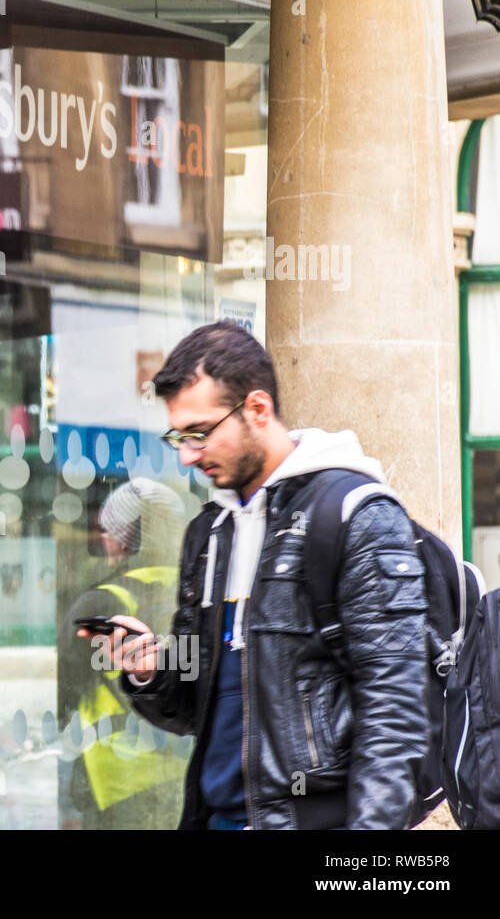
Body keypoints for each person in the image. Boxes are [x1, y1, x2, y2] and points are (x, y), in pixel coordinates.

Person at [85, 321, 430, 830]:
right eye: (178, 435)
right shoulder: (209, 533)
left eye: (200, 433)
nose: (186, 454)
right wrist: (149, 668)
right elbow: (192, 707)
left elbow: (394, 715)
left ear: (258, 409)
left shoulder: (356, 516)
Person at [60, 479, 189, 829]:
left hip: (113, 781)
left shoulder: (99, 603)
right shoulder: (191, 593)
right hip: (176, 771)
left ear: (121, 537)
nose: (104, 538)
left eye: (109, 529)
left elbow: (64, 690)